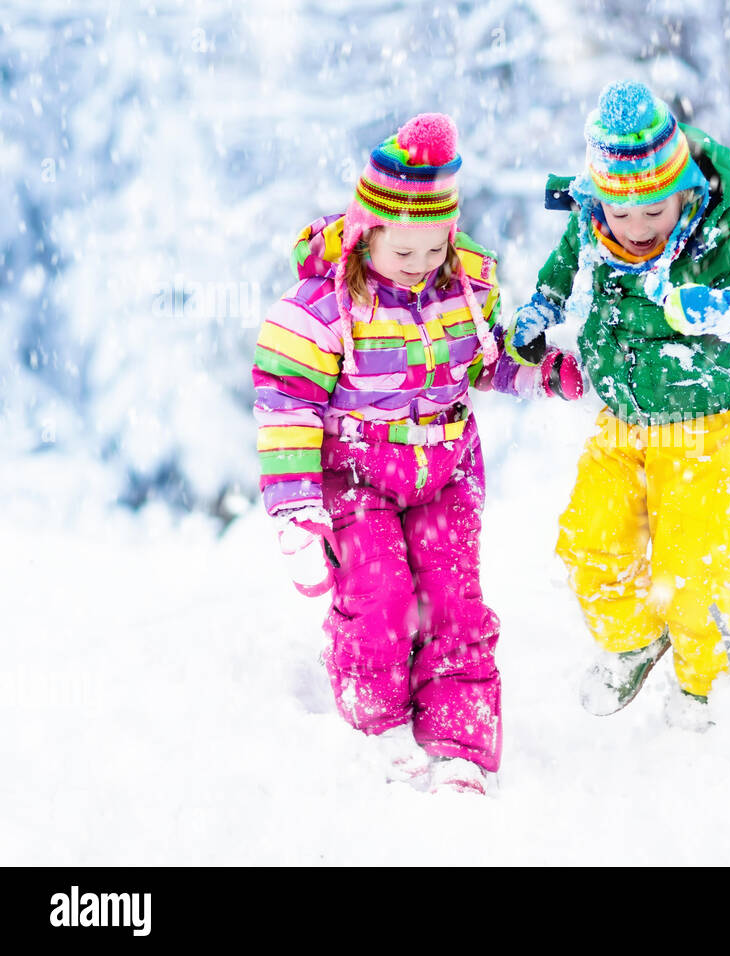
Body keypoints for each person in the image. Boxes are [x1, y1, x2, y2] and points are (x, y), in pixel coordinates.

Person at [252, 113, 583, 793]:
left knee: (453, 602)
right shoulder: (323, 308)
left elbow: (486, 363)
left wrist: (542, 373)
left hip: (447, 473)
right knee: (381, 596)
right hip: (358, 474)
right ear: (366, 233)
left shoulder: (462, 287)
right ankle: (378, 722)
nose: (422, 267)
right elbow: (287, 404)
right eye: (405, 255)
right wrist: (295, 511)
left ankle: (460, 740)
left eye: (436, 251)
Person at [507, 82, 730, 730]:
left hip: (701, 429)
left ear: (682, 191)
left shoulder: (714, 235)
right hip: (619, 427)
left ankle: (709, 681)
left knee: (690, 568)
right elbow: (563, 266)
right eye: (621, 213)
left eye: (653, 212)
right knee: (589, 541)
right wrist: (542, 308)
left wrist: (726, 309)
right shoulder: (595, 222)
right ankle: (633, 639)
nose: (636, 229)